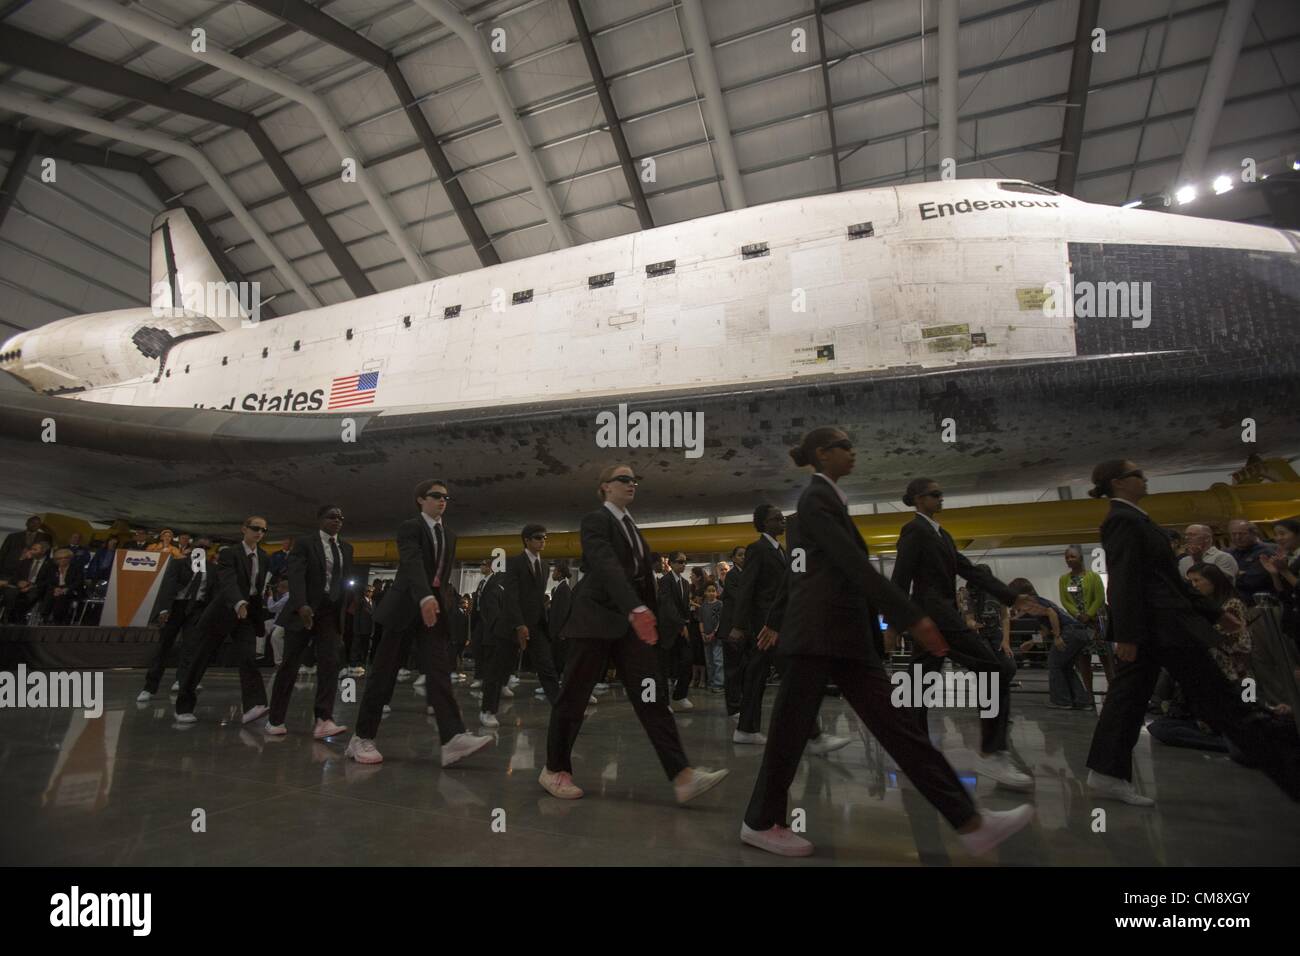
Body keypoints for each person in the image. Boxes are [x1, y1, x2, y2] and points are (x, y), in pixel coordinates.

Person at [740, 427, 1034, 857]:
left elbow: (820, 574)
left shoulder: (825, 501)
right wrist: (911, 617)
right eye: (844, 446)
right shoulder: (814, 500)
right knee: (790, 737)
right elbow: (853, 567)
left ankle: (970, 822)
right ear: (823, 454)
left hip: (840, 641)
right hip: (818, 639)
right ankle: (760, 822)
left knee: (900, 733)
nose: (852, 452)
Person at [1083, 460, 1300, 805]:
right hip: (1160, 628)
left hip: (1161, 627)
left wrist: (1214, 613)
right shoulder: (1122, 520)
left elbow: (1167, 580)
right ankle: (1288, 769)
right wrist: (1126, 635)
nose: (1145, 477)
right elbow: (1124, 580)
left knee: (1129, 697)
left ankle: (1105, 773)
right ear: (1120, 483)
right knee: (1218, 697)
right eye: (1138, 473)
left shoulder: (1136, 518)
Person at [539, 463, 729, 803]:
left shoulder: (632, 528)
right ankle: (554, 769)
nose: (632, 484)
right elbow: (606, 566)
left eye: (634, 479)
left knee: (651, 695)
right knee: (574, 696)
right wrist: (635, 608)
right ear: (605, 488)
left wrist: (651, 617)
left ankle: (682, 776)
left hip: (629, 628)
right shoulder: (595, 521)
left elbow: (643, 579)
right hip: (596, 622)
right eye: (623, 479)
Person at [891, 477, 1035, 790]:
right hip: (934, 615)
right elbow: (900, 577)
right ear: (918, 499)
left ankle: (910, 754)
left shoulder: (941, 534)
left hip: (937, 613)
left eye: (941, 493)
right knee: (994, 671)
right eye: (935, 494)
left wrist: (1011, 597)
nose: (941, 498)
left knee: (917, 686)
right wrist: (896, 624)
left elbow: (967, 569)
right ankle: (991, 752)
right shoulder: (914, 530)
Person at [346, 479, 490, 768]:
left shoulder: (449, 534)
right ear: (420, 500)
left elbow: (441, 576)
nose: (443, 500)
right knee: (384, 673)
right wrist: (424, 596)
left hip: (432, 611)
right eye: (436, 496)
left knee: (439, 672)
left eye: (446, 497)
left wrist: (437, 602)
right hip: (404, 608)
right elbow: (411, 563)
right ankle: (361, 738)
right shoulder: (410, 528)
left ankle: (452, 739)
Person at [174, 518, 274, 724]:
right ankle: (183, 706)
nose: (259, 533)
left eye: (263, 530)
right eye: (255, 528)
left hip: (246, 617)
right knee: (200, 659)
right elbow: (227, 580)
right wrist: (238, 603)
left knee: (248, 657)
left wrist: (256, 615)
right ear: (244, 529)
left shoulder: (263, 557)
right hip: (222, 613)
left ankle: (253, 706)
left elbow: (256, 589)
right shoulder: (230, 553)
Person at [265, 505, 352, 738]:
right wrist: (301, 604)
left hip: (329, 613)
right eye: (332, 517)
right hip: (302, 611)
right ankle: (275, 719)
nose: (337, 521)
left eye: (340, 518)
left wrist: (343, 613)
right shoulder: (305, 543)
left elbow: (344, 581)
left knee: (330, 663)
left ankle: (324, 719)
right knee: (290, 665)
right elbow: (295, 575)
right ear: (320, 519)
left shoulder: (346, 547)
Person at [485, 524, 561, 716]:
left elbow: (537, 597)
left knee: (547, 668)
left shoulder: (544, 565)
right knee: (499, 670)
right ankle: (487, 710)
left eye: (544, 537)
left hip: (536, 625)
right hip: (511, 624)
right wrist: (519, 624)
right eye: (538, 537)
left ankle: (561, 709)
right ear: (526, 540)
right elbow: (511, 596)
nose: (542, 540)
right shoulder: (514, 563)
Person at [139, 535, 214, 701]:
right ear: (191, 549)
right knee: (164, 646)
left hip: (196, 608)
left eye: (206, 549)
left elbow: (210, 592)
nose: (202, 551)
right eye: (200, 547)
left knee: (190, 646)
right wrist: (164, 609)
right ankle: (150, 687)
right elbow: (168, 586)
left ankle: (182, 680)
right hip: (177, 607)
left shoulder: (210, 569)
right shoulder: (179, 563)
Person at [1009, 579, 1092, 710]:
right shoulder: (1039, 601)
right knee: (1066, 667)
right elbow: (1045, 631)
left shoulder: (1030, 603)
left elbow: (1051, 613)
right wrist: (1032, 642)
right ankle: (1081, 701)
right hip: (1079, 632)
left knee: (1054, 663)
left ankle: (1062, 700)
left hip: (1068, 632)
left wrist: (1058, 636)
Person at [1058, 544, 1113, 695]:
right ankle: (1088, 692)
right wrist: (1077, 615)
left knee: (1105, 658)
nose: (1069, 560)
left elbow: (1100, 597)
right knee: (1083, 659)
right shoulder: (1064, 579)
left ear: (1081, 558)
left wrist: (1089, 614)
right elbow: (1065, 600)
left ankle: (1113, 689)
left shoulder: (1093, 577)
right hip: (1078, 624)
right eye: (1067, 557)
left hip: (1095, 623)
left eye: (1072, 557)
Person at [655, 552, 695, 710]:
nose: (683, 565)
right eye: (680, 562)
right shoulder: (665, 581)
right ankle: (663, 702)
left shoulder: (685, 583)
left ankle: (680, 695)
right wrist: (680, 624)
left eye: (685, 562)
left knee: (687, 662)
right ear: (671, 563)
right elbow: (667, 606)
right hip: (668, 630)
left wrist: (686, 623)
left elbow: (684, 607)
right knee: (664, 668)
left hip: (682, 629)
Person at [1259, 518, 1300, 650]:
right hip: (1293, 617)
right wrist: (1275, 574)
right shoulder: (1286, 557)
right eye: (1276, 535)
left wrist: (1284, 571)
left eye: (1283, 534)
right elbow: (1283, 593)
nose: (1278, 538)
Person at [718, 544, 747, 719]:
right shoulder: (732, 576)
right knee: (732, 671)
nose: (744, 557)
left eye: (746, 555)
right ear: (734, 558)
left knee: (743, 669)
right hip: (731, 630)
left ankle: (742, 703)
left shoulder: (748, 575)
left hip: (744, 630)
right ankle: (733, 707)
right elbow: (740, 599)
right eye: (741, 555)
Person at [0, 539, 53, 623]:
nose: (31, 551)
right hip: (20, 586)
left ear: (43, 551)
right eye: (32, 549)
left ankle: (18, 620)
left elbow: (50, 580)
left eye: (35, 549)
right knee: (10, 593)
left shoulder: (51, 564)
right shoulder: (26, 561)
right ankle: (6, 618)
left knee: (27, 597)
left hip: (37, 587)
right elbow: (15, 576)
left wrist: (32, 586)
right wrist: (19, 582)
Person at [1228, 519, 1278, 603]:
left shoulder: (1266, 551)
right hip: (1234, 600)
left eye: (1242, 534)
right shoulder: (1229, 552)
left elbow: (1252, 581)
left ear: (1254, 534)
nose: (1237, 537)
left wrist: (1229, 576)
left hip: (1259, 601)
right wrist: (1237, 574)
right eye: (1234, 534)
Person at [548, 560, 574, 674]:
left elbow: (563, 613)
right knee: (554, 657)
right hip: (555, 630)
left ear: (560, 573)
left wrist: (561, 631)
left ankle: (556, 683)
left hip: (558, 632)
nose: (552, 574)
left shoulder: (564, 589)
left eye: (554, 571)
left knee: (558, 658)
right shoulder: (558, 589)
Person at [699, 582, 724, 692]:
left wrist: (714, 633)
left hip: (717, 637)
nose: (711, 593)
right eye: (709, 591)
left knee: (718, 660)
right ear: (705, 592)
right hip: (706, 637)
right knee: (709, 661)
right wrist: (703, 633)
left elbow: (720, 621)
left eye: (713, 591)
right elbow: (701, 621)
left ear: (717, 592)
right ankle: (711, 682)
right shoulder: (703, 606)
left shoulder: (720, 604)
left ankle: (719, 684)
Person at [348, 585, 376, 674]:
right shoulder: (360, 602)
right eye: (368, 591)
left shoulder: (373, 602)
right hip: (360, 628)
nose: (369, 593)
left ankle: (359, 663)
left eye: (371, 591)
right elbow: (357, 616)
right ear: (364, 592)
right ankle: (353, 664)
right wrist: (356, 628)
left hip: (368, 628)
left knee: (364, 646)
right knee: (356, 646)